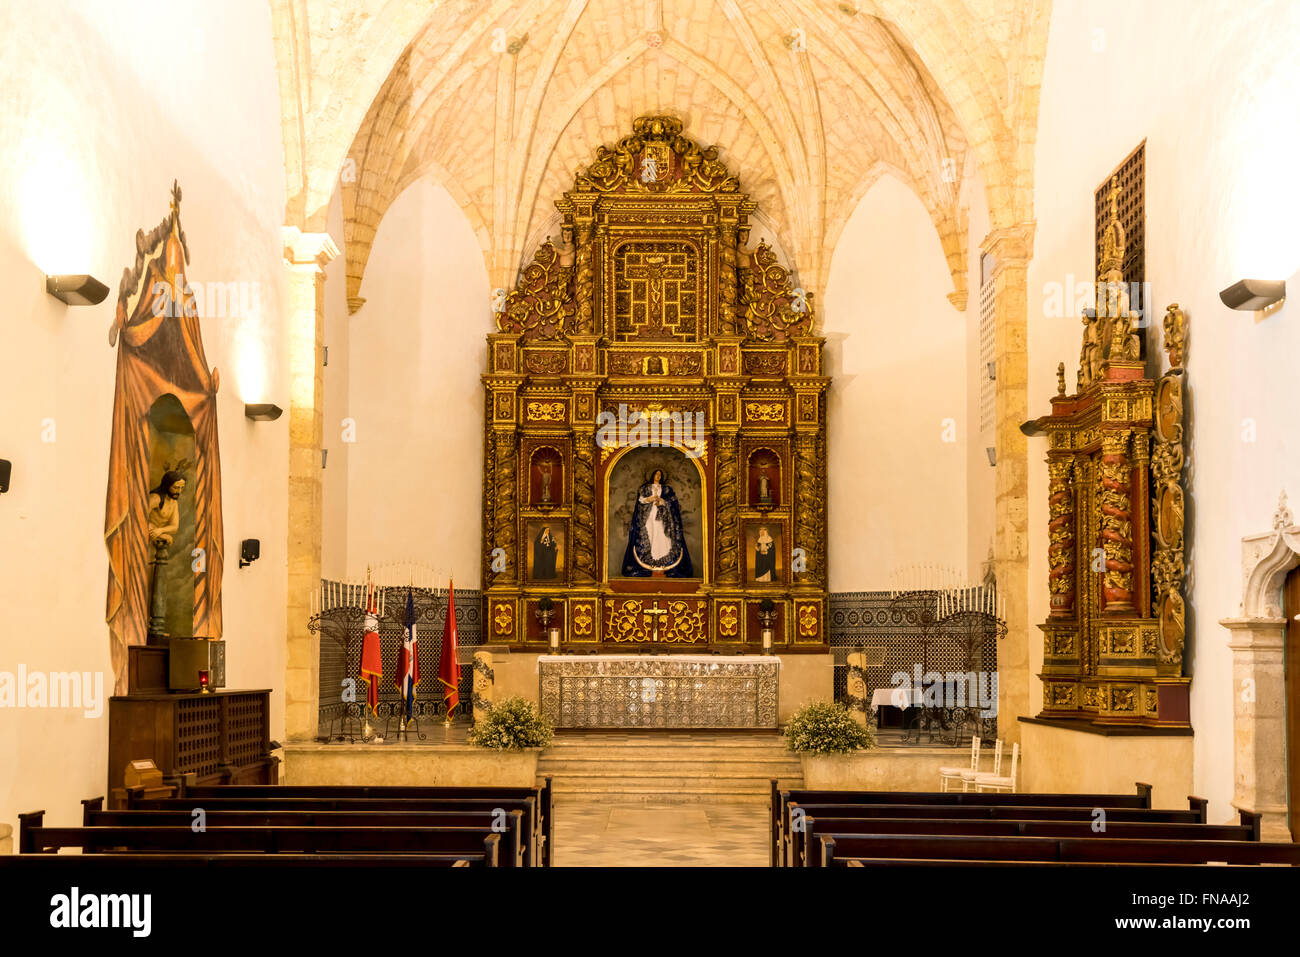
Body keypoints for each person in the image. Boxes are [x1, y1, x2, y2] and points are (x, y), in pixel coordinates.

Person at [621, 468, 693, 577]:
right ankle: (651, 561)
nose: (658, 476)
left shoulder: (667, 489)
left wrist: (663, 502)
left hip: (663, 517)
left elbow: (673, 502)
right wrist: (649, 499)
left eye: (660, 474)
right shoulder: (645, 488)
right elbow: (641, 501)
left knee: (662, 535)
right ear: (652, 475)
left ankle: (663, 562)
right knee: (650, 534)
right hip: (648, 516)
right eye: (656, 474)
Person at [147, 470, 185, 549]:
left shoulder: (173, 502)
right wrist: (163, 536)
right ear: (167, 485)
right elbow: (139, 520)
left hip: (155, 541)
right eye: (176, 487)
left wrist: (160, 531)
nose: (179, 491)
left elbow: (174, 527)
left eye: (181, 488)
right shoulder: (155, 498)